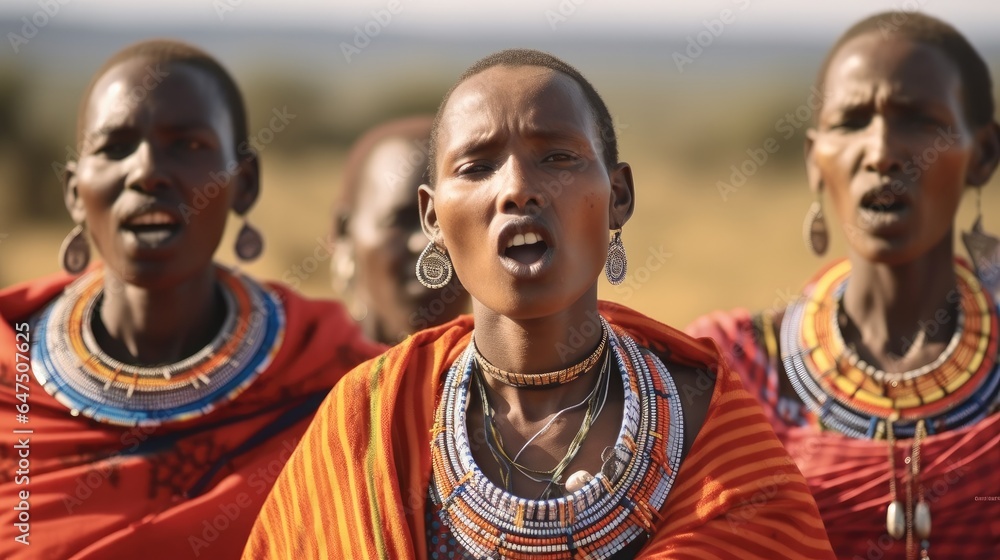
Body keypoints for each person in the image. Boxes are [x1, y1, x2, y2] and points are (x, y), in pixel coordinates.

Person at [244, 49, 834, 559]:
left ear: (619, 196)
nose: (518, 188)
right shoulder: (372, 418)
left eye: (557, 157)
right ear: (433, 216)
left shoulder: (703, 415)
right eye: (476, 167)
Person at [0, 40, 383, 559]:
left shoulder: (339, 378)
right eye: (115, 146)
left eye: (187, 144)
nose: (146, 172)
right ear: (74, 192)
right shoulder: (11, 372)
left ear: (244, 184)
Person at [687, 12, 1000, 559]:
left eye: (920, 121)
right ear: (814, 159)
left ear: (984, 155)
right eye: (852, 122)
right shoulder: (738, 369)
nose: (881, 153)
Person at [329, 116, 469, 344]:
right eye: (400, 220)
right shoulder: (307, 375)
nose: (427, 242)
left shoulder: (514, 375)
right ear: (344, 232)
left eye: (446, 221)